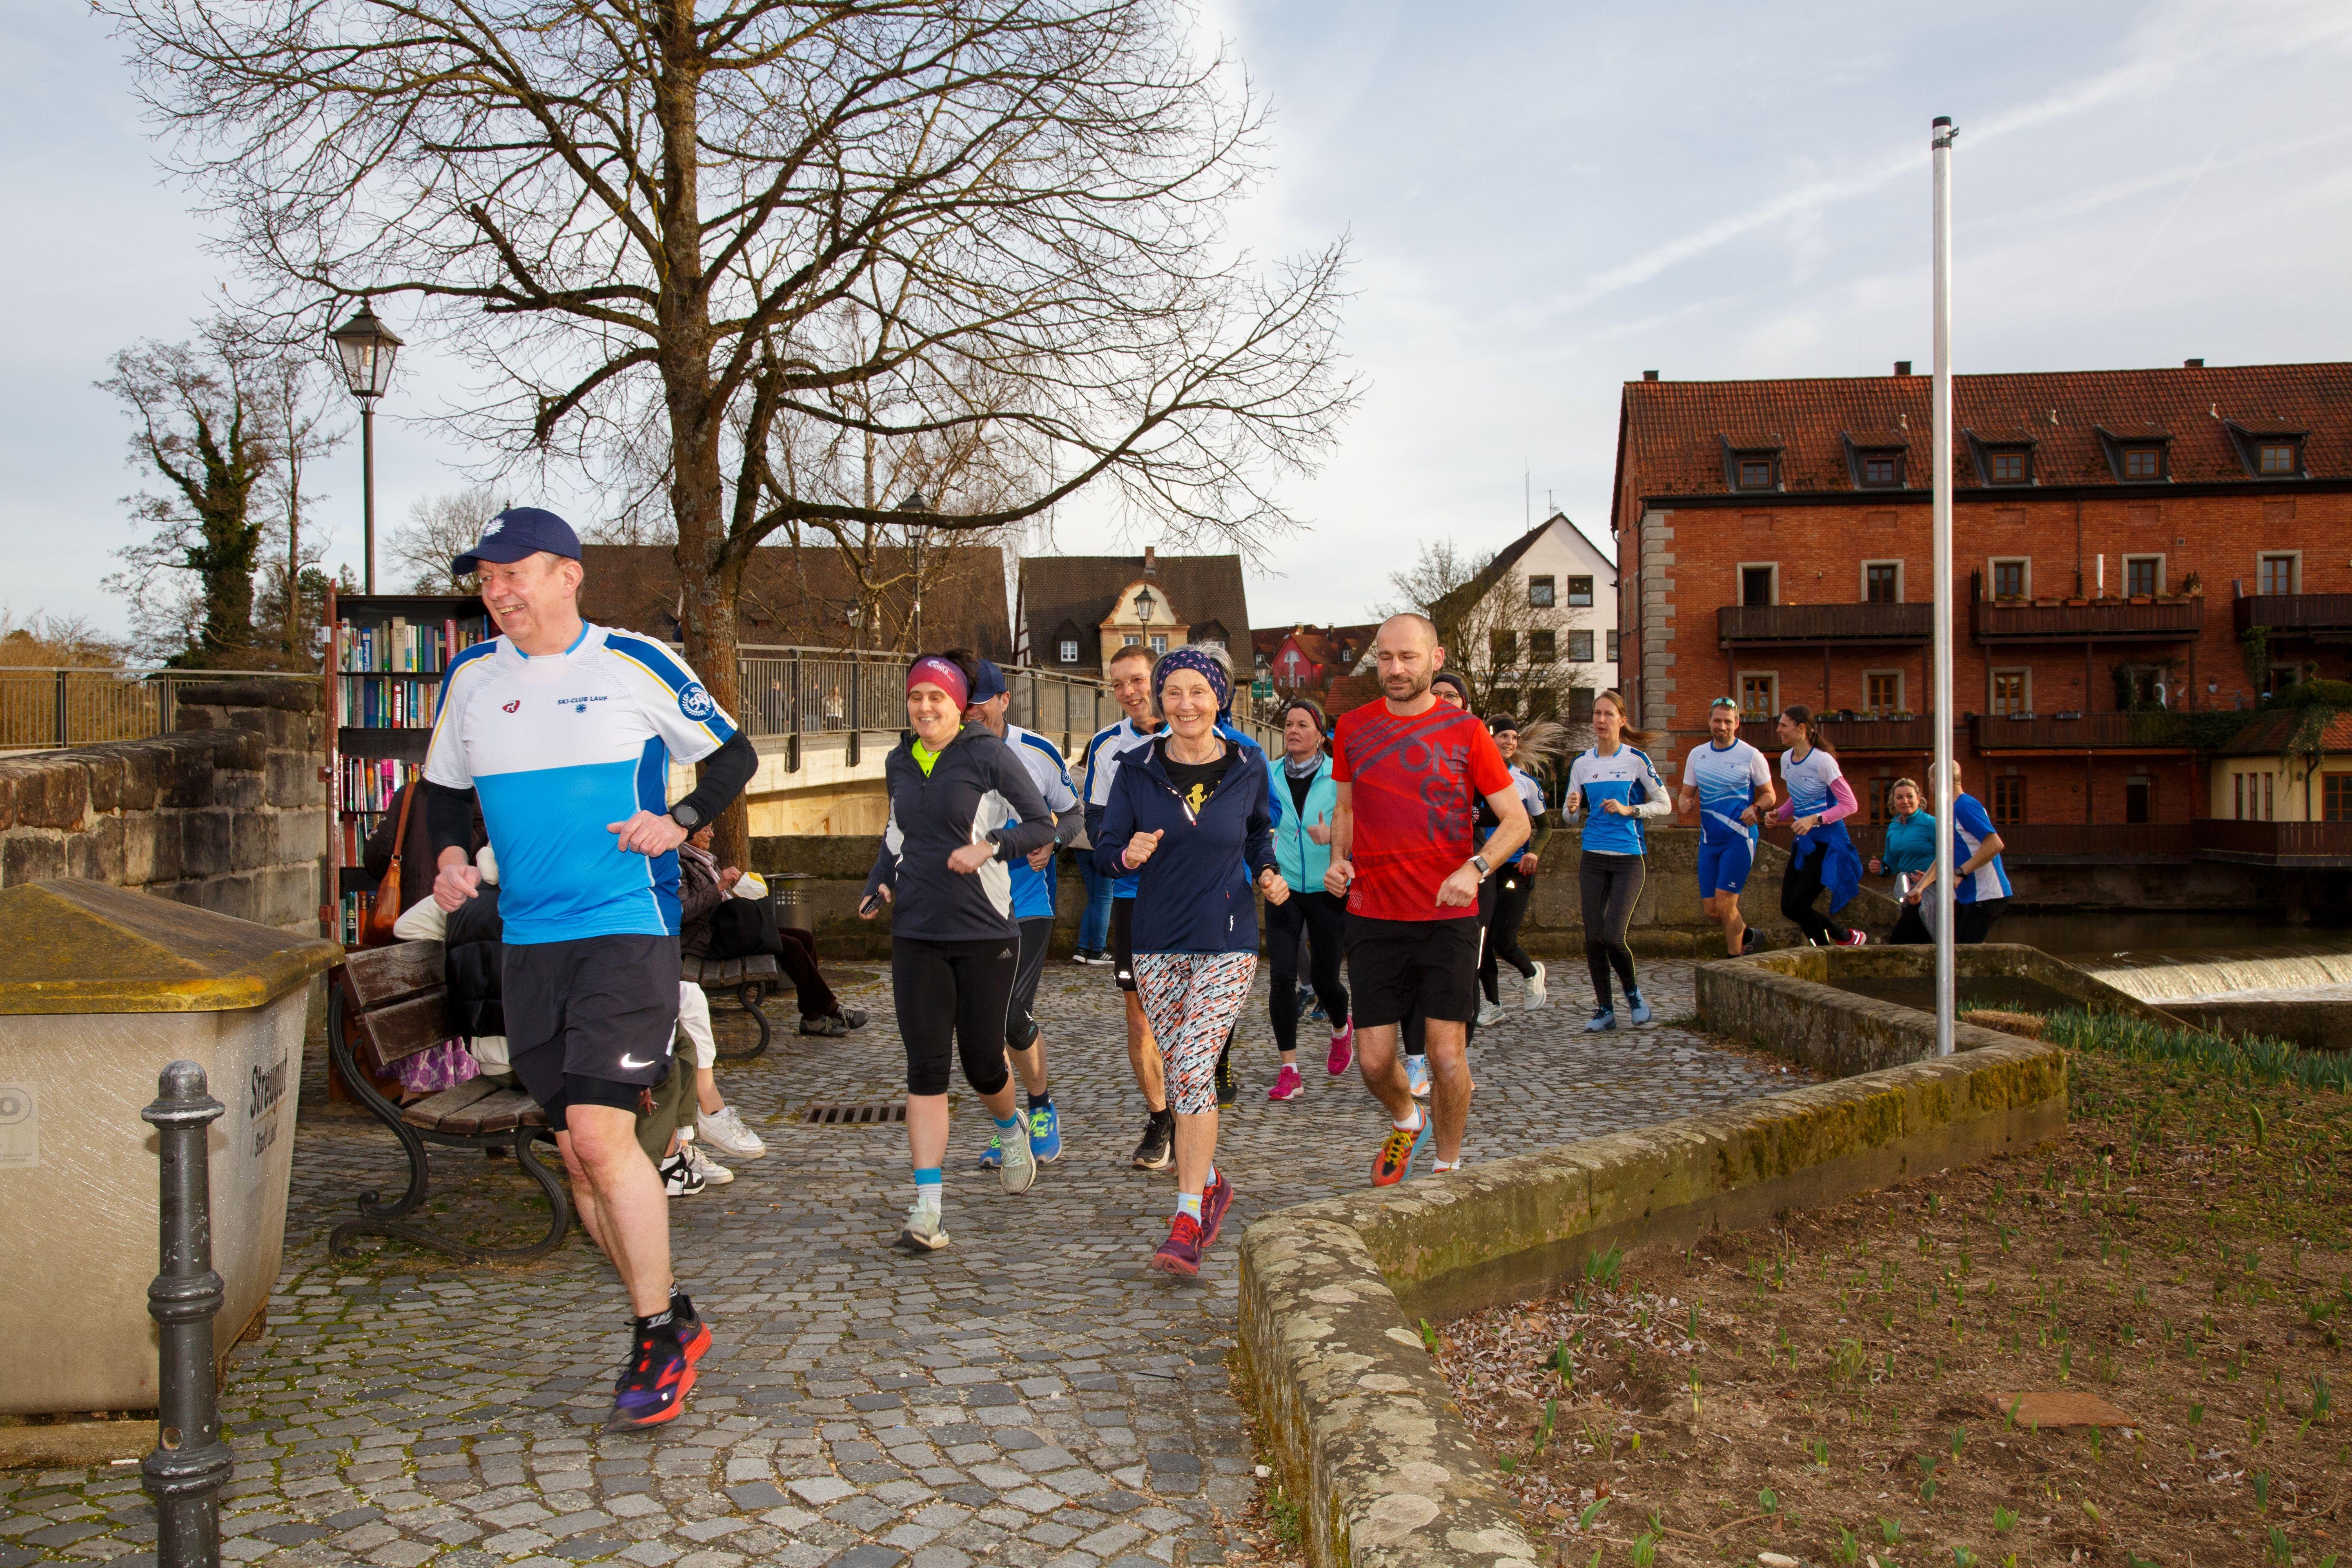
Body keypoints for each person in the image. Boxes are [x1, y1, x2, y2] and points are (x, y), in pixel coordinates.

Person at [422, 506, 759, 1430]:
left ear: (567, 574)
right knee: (576, 1150)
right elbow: (444, 795)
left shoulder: (632, 662)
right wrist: (448, 861)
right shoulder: (471, 679)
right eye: (484, 580)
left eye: (512, 574)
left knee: (603, 1139)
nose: (496, 593)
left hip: (624, 926)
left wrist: (680, 822)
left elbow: (734, 754)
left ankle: (655, 1332)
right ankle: (671, 1315)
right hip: (528, 943)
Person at [861, 651, 1060, 1253]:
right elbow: (898, 833)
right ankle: (928, 1209)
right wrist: (879, 882)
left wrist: (992, 847)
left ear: (957, 705)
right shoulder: (899, 760)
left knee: (982, 1062)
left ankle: (1011, 1126)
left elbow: (1043, 825)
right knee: (925, 1069)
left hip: (984, 933)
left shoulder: (987, 754)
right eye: (916, 696)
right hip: (917, 932)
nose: (925, 707)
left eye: (936, 698)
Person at [1096, 646, 1286, 1272]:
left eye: (1197, 693)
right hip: (1154, 938)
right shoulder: (1135, 768)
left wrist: (1266, 871)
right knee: (1181, 1070)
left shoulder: (1249, 765)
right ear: (1160, 699)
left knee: (1195, 1066)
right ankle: (1211, 1182)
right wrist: (1127, 855)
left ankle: (1185, 1219)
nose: (1184, 705)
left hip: (1227, 937)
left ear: (1219, 699)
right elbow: (1105, 846)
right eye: (1172, 693)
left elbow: (1260, 831)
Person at [1326, 615, 1529, 1185]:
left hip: (1448, 918)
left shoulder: (1467, 733)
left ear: (1435, 659)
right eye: (1385, 658)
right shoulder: (1353, 729)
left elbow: (1516, 823)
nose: (1395, 669)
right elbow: (1346, 809)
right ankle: (1405, 1118)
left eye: (1407, 658)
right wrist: (1338, 861)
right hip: (1373, 913)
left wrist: (1478, 865)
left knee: (1444, 1056)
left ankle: (1447, 1170)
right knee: (1372, 1061)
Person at [955, 654, 1083, 1171]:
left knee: (1012, 1016)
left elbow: (1073, 814)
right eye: (962, 705)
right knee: (984, 1025)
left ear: (1004, 700)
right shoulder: (939, 754)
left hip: (1027, 904)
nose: (969, 715)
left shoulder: (1036, 753)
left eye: (979, 705)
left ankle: (1040, 1106)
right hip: (970, 908)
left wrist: (1052, 840)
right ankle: (1009, 1128)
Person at [679, 826, 866, 1038]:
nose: (712, 835)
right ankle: (833, 1010)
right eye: (706, 830)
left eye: (713, 829)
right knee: (791, 946)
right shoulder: (679, 865)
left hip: (727, 931)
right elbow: (683, 911)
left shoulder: (704, 860)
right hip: (707, 941)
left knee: (804, 937)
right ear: (690, 832)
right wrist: (720, 886)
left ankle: (812, 1017)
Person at [1394, 666, 1480, 1095]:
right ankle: (1415, 1062)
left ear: (1465, 706)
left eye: (1452, 696)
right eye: (1438, 694)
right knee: (1413, 977)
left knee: (1464, 980)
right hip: (1415, 881)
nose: (1443, 701)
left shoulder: (1475, 747)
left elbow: (1509, 819)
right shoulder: (1408, 749)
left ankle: (1454, 1060)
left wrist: (1479, 865)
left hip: (1471, 880)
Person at [1564, 690, 1672, 1031]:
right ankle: (1605, 1010)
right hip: (1593, 858)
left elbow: (1665, 804)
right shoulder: (1582, 763)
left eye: (1609, 714)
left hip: (1629, 858)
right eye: (1597, 714)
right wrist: (1570, 810)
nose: (1601, 720)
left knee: (1613, 936)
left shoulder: (1636, 760)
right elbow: (1571, 819)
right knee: (1593, 937)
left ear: (1622, 721)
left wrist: (1631, 810)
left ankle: (1634, 996)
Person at [1263, 696, 1350, 1101]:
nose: (1293, 731)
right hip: (1284, 888)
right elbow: (1255, 823)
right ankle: (1290, 1070)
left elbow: (1361, 826)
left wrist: (1332, 837)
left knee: (1327, 981)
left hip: (1328, 888)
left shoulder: (1339, 775)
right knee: (1282, 975)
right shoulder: (1270, 773)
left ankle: (1340, 1027)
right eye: (1289, 725)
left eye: (1303, 725)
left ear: (1321, 733)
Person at [1676, 697, 1776, 958]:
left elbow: (1770, 795)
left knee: (1725, 904)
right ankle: (1750, 935)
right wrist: (1685, 802)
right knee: (1711, 910)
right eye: (1717, 721)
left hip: (1739, 839)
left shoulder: (1751, 755)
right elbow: (1686, 794)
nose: (1722, 726)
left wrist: (1756, 809)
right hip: (1709, 841)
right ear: (1710, 722)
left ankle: (1734, 962)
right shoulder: (1698, 755)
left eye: (1728, 722)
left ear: (1737, 724)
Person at [1474, 716, 1558, 1024]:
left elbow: (1546, 826)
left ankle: (1531, 970)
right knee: (1481, 941)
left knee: (1503, 940)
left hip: (1514, 871)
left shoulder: (1524, 782)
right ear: (1488, 738)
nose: (1511, 742)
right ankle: (1493, 1004)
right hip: (1483, 870)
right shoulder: (1474, 778)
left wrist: (1534, 852)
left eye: (1515, 737)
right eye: (1504, 736)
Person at [1771, 704, 1869, 949]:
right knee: (1789, 908)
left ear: (1801, 729)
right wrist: (1780, 813)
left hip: (1828, 842)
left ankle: (1835, 945)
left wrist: (1815, 819)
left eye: (1784, 725)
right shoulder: (1787, 759)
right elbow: (1800, 797)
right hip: (1805, 842)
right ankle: (1838, 941)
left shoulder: (1823, 761)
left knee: (1799, 904)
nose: (1778, 730)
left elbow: (1850, 805)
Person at [1908, 762, 2012, 944]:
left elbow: (1995, 844)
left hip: (1987, 895)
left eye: (1930, 780)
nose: (1930, 785)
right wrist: (1920, 888)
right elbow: (1945, 856)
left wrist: (1961, 872)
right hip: (1969, 895)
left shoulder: (1965, 806)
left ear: (1939, 780)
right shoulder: (1949, 811)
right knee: (1949, 948)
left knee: (1961, 954)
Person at [1867, 777, 1936, 946]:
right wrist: (1880, 869)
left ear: (1918, 799)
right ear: (1894, 802)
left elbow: (1950, 855)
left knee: (1902, 940)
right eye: (1900, 798)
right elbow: (1891, 865)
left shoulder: (1931, 824)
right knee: (1915, 941)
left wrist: (1929, 877)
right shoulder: (1894, 827)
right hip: (1908, 894)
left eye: (1910, 796)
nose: (1905, 801)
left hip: (1932, 891)